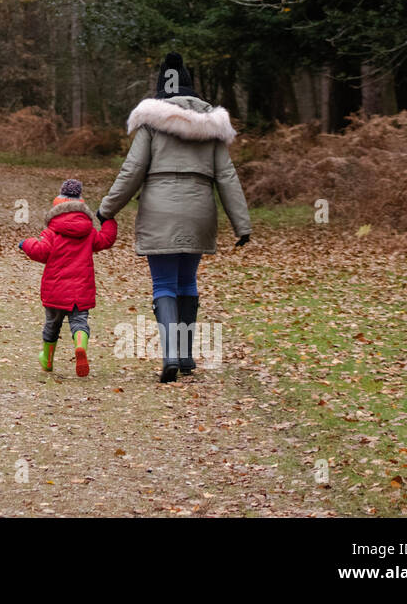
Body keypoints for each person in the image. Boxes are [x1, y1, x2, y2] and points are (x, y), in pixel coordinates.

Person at [96, 53, 252, 383]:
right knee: (187, 281)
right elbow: (226, 176)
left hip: (159, 211)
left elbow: (133, 170)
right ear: (191, 90)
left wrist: (107, 209)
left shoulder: (151, 124)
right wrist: (242, 224)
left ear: (160, 91)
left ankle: (169, 356)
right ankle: (184, 355)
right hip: (199, 212)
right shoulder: (212, 127)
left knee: (164, 284)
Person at [19, 179, 118, 377]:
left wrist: (26, 243)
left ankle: (47, 360)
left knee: (52, 325)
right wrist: (108, 221)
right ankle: (80, 346)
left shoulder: (52, 232)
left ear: (57, 207)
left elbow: (41, 252)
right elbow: (106, 239)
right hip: (81, 290)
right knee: (80, 321)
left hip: (55, 290)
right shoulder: (88, 232)